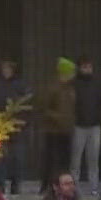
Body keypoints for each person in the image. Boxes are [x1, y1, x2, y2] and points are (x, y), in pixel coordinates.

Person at [0, 57, 28, 192]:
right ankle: (1, 185)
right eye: (4, 68)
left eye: (8, 69)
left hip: (17, 127)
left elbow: (25, 104)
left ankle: (16, 186)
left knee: (17, 159)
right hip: (1, 126)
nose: (6, 71)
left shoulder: (20, 86)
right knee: (1, 159)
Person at [39, 57, 76, 186]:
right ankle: (46, 184)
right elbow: (44, 108)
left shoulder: (70, 89)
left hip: (66, 130)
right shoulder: (53, 88)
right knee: (51, 159)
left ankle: (61, 184)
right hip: (53, 130)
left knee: (64, 160)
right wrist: (59, 118)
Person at [69, 56, 101, 184]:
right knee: (76, 159)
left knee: (93, 158)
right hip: (78, 126)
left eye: (89, 67)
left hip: (94, 126)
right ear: (79, 68)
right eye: (84, 67)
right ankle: (74, 184)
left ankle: (93, 185)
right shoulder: (73, 85)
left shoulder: (97, 84)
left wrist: (99, 119)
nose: (87, 69)